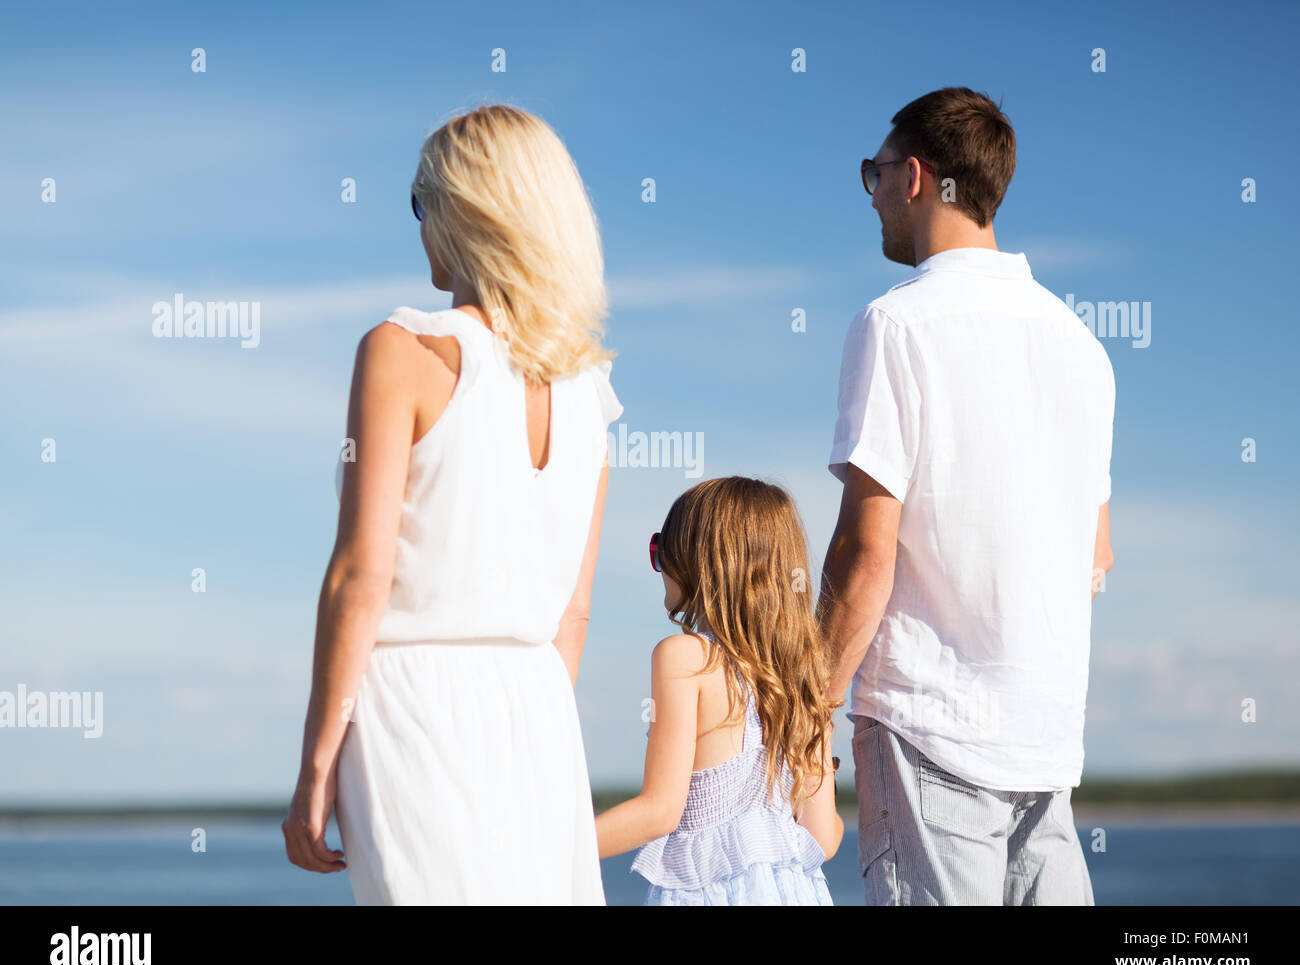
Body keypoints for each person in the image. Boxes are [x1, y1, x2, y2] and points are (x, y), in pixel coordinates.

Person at [282, 105, 622, 904]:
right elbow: (571, 615)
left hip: (413, 712)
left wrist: (316, 767)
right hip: (540, 714)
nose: (420, 224)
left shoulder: (402, 351)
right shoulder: (591, 396)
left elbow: (360, 576)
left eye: (420, 201)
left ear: (468, 209)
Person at [819, 87, 1116, 905]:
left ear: (914, 177)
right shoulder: (1082, 346)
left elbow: (866, 549)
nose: (872, 192)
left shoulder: (897, 324)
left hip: (930, 732)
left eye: (874, 173)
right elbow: (1097, 554)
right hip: (1046, 744)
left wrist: (806, 704)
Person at [596, 477, 842, 905]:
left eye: (660, 550)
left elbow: (659, 811)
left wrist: (554, 848)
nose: (657, 565)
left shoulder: (685, 658)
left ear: (697, 561)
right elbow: (824, 837)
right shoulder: (805, 677)